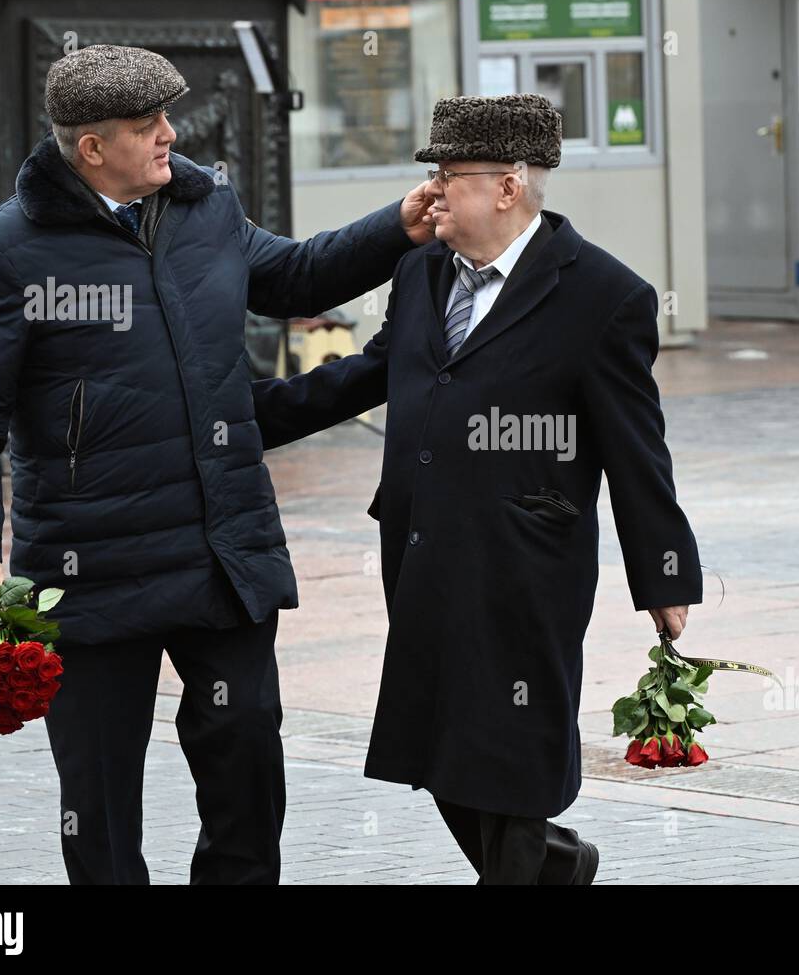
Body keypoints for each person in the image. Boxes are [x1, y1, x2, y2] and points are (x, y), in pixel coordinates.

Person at [0, 43, 434, 884]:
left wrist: (399, 227)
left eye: (168, 115)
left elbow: (296, 274)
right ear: (91, 147)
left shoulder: (206, 207)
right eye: (146, 125)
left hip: (220, 554)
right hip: (88, 574)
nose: (172, 134)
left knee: (246, 767)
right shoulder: (6, 252)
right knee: (96, 800)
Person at [252, 93, 703, 884]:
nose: (431, 193)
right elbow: (372, 370)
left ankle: (537, 866)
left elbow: (638, 448)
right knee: (441, 746)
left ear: (508, 186)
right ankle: (557, 865)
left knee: (513, 753)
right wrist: (242, 420)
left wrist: (663, 573)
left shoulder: (604, 297)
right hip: (423, 549)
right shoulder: (421, 270)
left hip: (527, 562)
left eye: (450, 176)